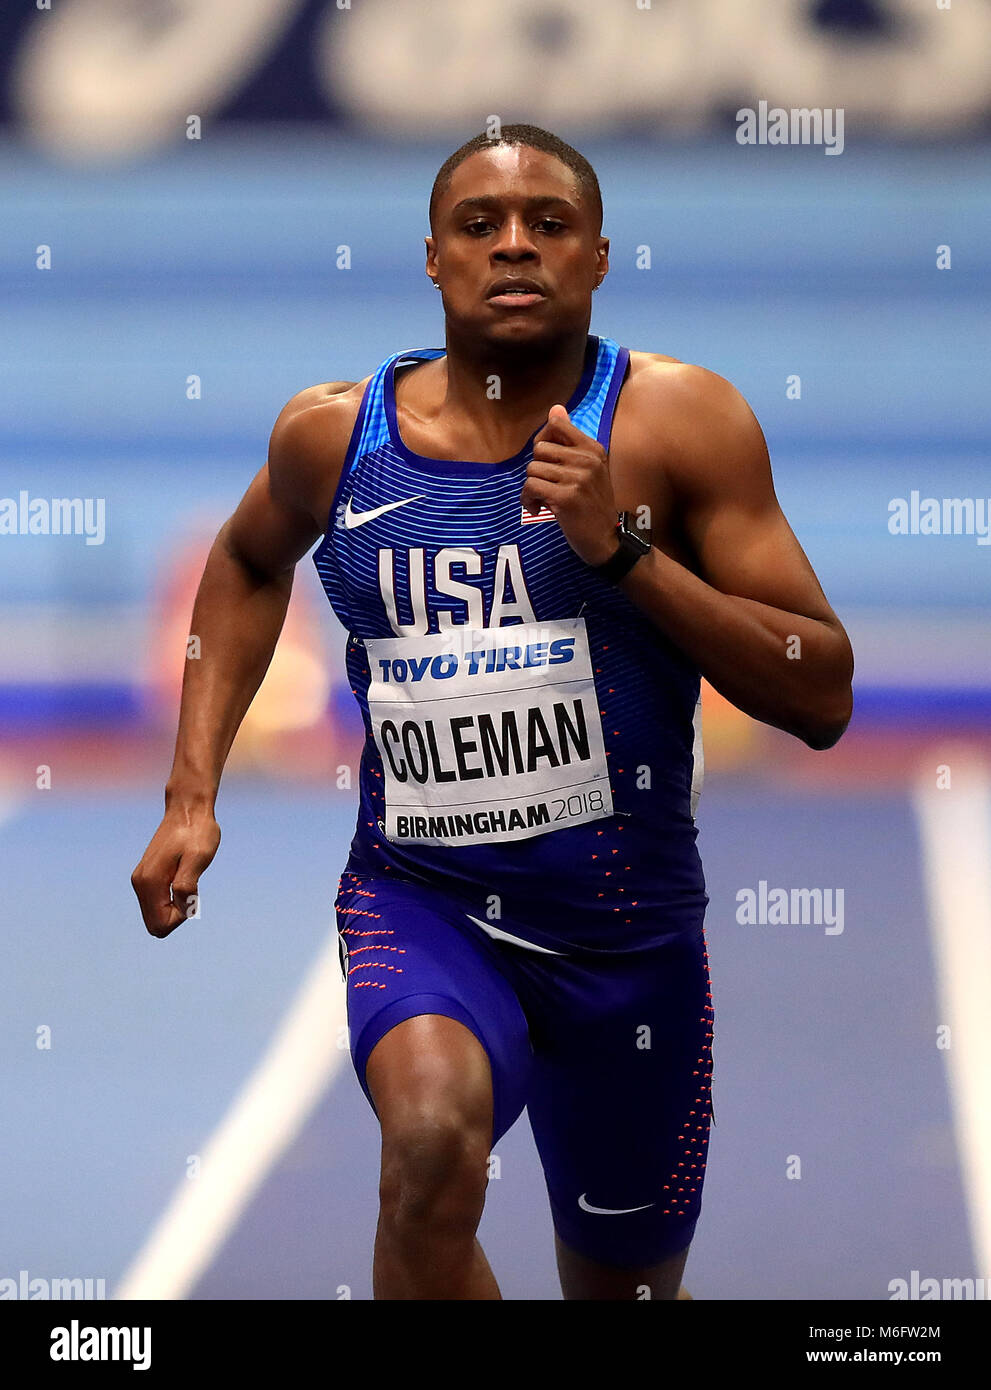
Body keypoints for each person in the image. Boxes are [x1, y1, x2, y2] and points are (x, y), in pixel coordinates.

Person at [131, 124, 854, 1301]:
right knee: (426, 1148)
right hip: (425, 902)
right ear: (432, 259)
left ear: (599, 257)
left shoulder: (679, 424)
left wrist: (622, 556)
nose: (513, 246)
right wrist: (191, 794)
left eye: (546, 224)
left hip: (627, 940)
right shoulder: (333, 435)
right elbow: (247, 561)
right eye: (480, 225)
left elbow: (819, 688)